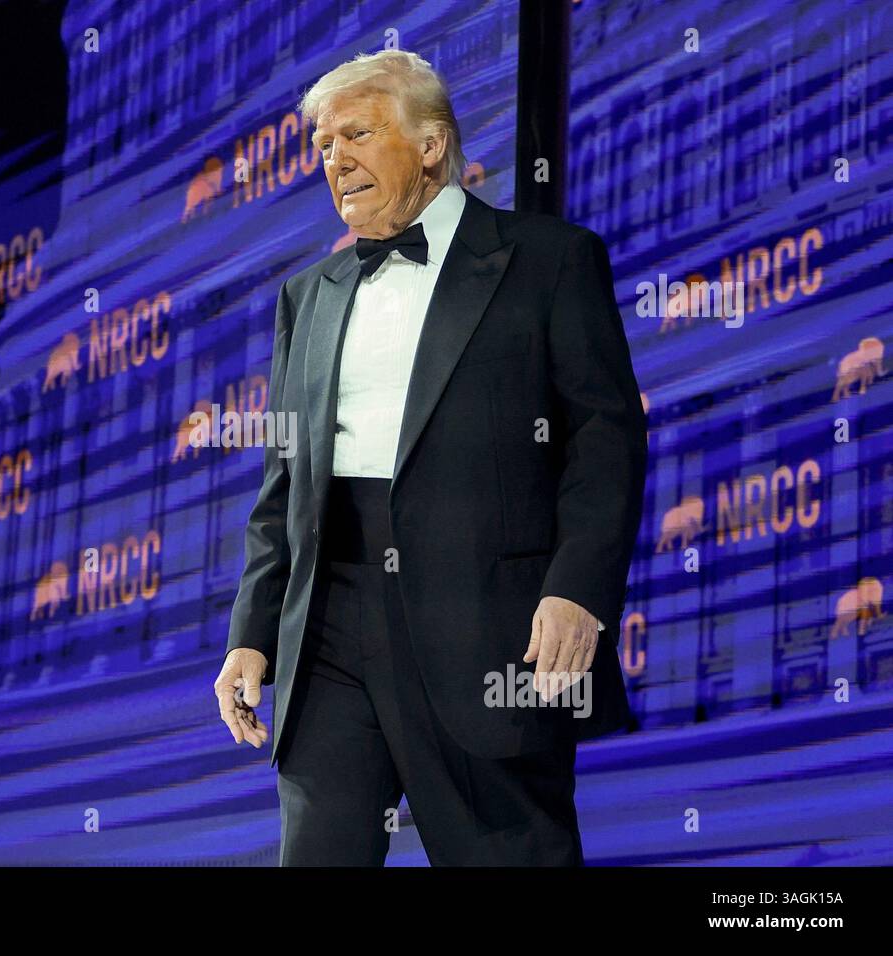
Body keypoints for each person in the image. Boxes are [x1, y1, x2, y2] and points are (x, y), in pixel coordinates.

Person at [213, 49, 647, 866]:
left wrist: (577, 591)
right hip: (333, 629)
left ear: (431, 145)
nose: (333, 158)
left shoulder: (550, 260)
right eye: (321, 144)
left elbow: (605, 440)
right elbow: (286, 481)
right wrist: (253, 633)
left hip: (492, 627)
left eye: (357, 134)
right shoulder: (307, 296)